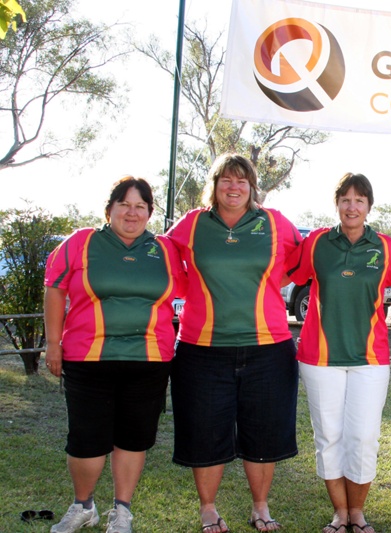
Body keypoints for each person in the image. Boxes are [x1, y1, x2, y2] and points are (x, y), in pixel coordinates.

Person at [167, 153, 302, 533]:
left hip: (269, 348)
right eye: (225, 179)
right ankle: (208, 508)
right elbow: (163, 257)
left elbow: (301, 258)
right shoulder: (191, 224)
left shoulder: (275, 222)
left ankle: (261, 506)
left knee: (264, 430)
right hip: (201, 350)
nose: (233, 186)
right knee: (205, 429)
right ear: (214, 184)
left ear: (252, 186)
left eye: (241, 180)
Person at [44, 177, 185, 533]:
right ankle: (83, 506)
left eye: (141, 206)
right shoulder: (81, 242)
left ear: (150, 213)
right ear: (109, 209)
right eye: (124, 205)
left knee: (133, 438)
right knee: (86, 439)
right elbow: (55, 290)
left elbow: (193, 286)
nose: (132, 213)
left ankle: (122, 511)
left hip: (149, 360)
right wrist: (53, 343)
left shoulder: (165, 249)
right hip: (87, 358)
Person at [286, 173, 391, 533]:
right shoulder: (318, 242)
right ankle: (340, 513)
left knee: (364, 436)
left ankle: (358, 511)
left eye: (359, 200)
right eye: (345, 199)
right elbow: (288, 269)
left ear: (369, 206)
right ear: (336, 203)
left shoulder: (384, 246)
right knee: (329, 437)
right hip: (320, 357)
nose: (352, 206)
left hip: (370, 358)